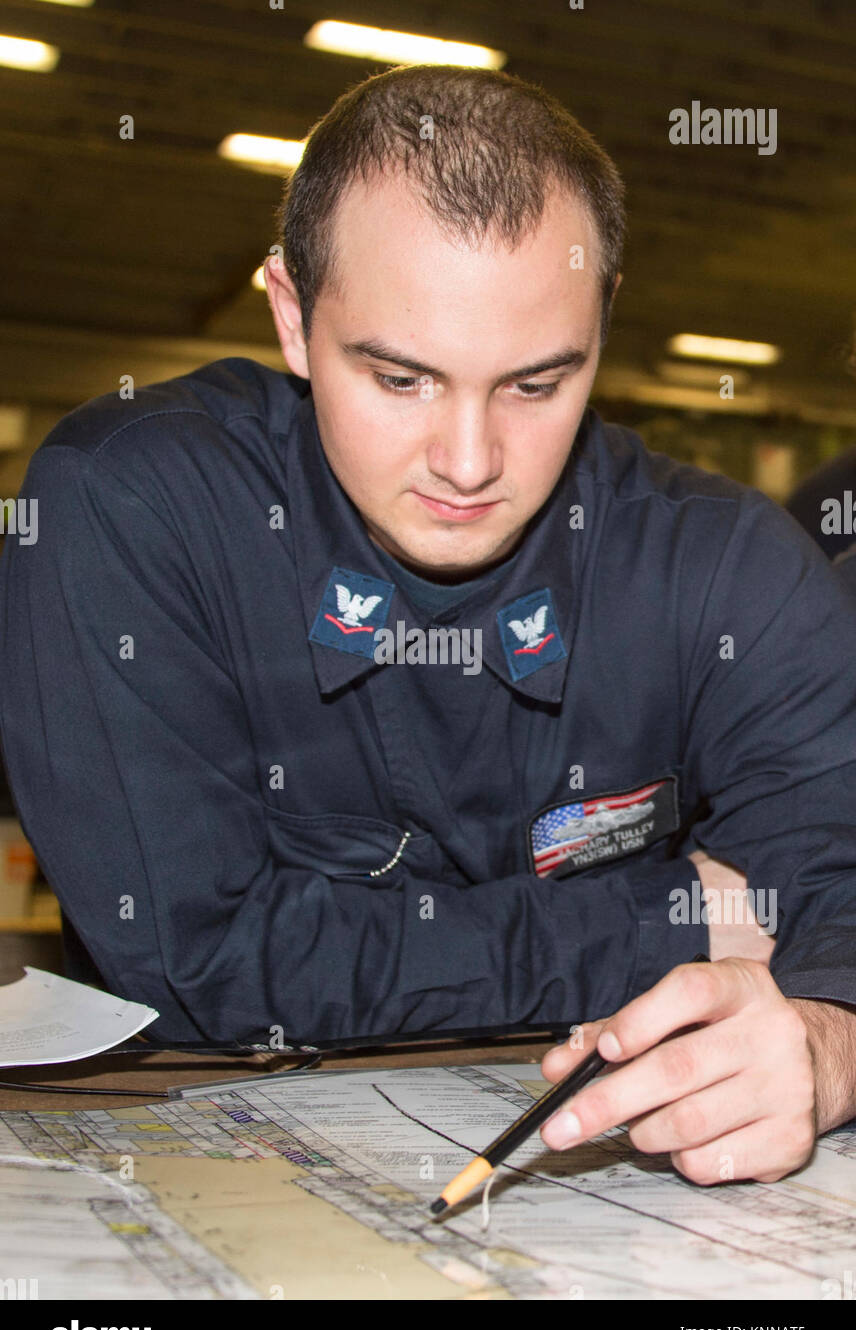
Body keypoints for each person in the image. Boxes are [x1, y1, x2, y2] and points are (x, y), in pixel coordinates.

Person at [1, 65, 856, 1187]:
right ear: (292, 318)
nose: (468, 461)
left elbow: (833, 906)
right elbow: (188, 962)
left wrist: (826, 1053)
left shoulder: (731, 572)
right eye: (400, 379)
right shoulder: (129, 509)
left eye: (536, 384)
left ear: (599, 332)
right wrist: (676, 916)